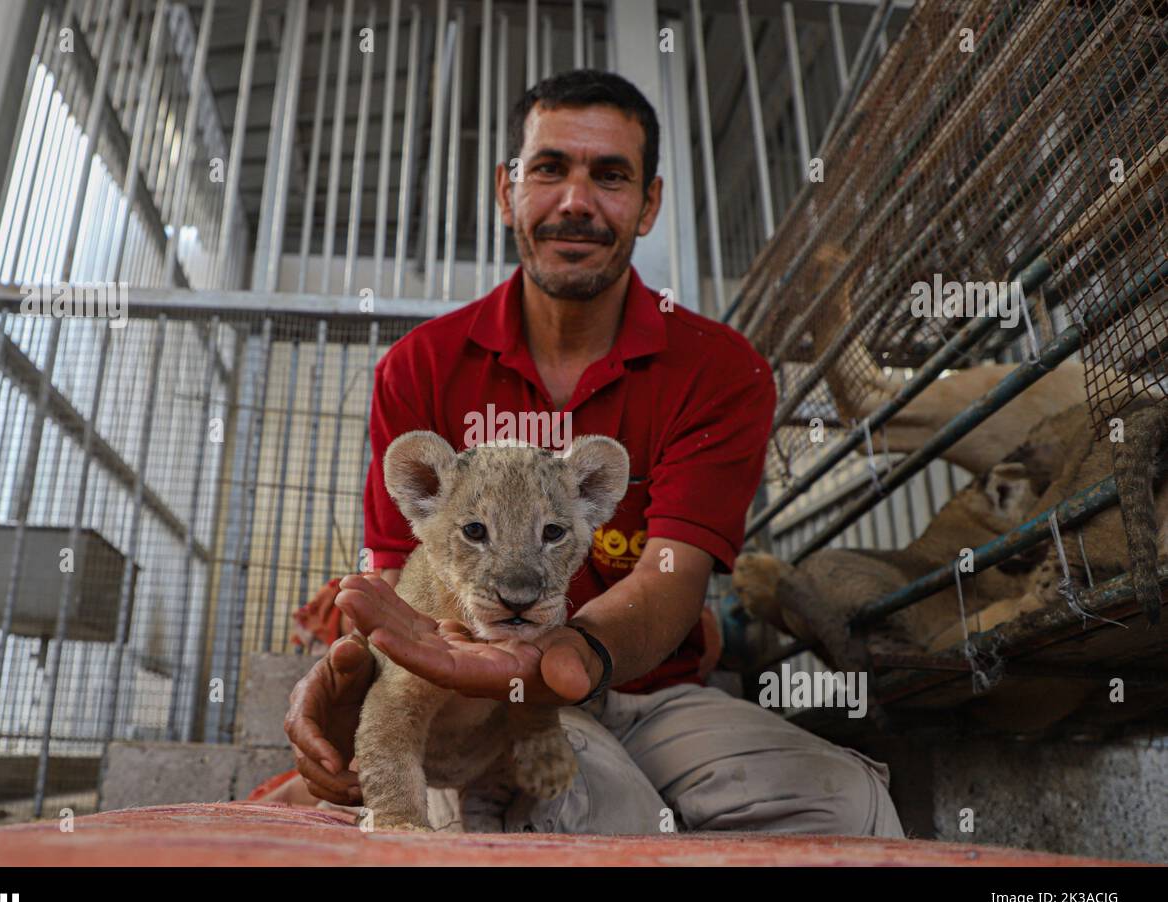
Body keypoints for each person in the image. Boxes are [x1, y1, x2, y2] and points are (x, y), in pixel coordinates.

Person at [284, 69, 904, 837]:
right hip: (476, 691)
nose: (576, 201)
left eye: (610, 175)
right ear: (507, 190)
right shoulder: (419, 365)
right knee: (597, 813)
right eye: (549, 169)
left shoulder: (720, 367)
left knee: (850, 804)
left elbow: (671, 580)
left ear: (649, 204)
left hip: (644, 682)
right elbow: (394, 582)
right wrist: (359, 674)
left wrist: (565, 660)